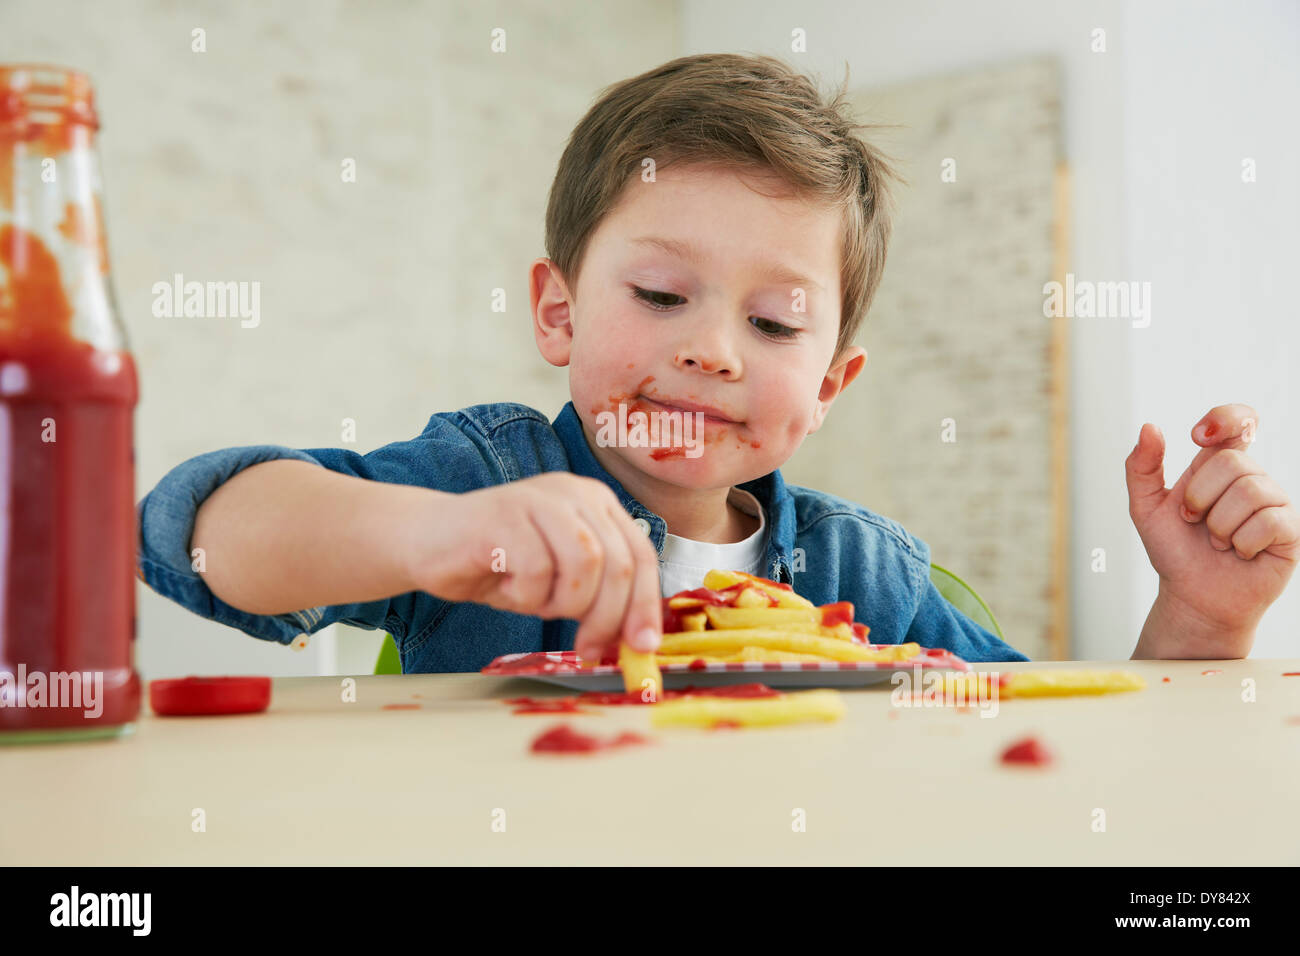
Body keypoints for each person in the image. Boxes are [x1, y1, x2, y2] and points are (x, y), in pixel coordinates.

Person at [135, 54, 1297, 672]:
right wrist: (435, 535)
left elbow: (1025, 735)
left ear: (831, 386)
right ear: (558, 312)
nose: (709, 347)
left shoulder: (862, 571)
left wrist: (1198, 618)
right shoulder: (484, 479)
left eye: (777, 324)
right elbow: (193, 533)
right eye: (658, 294)